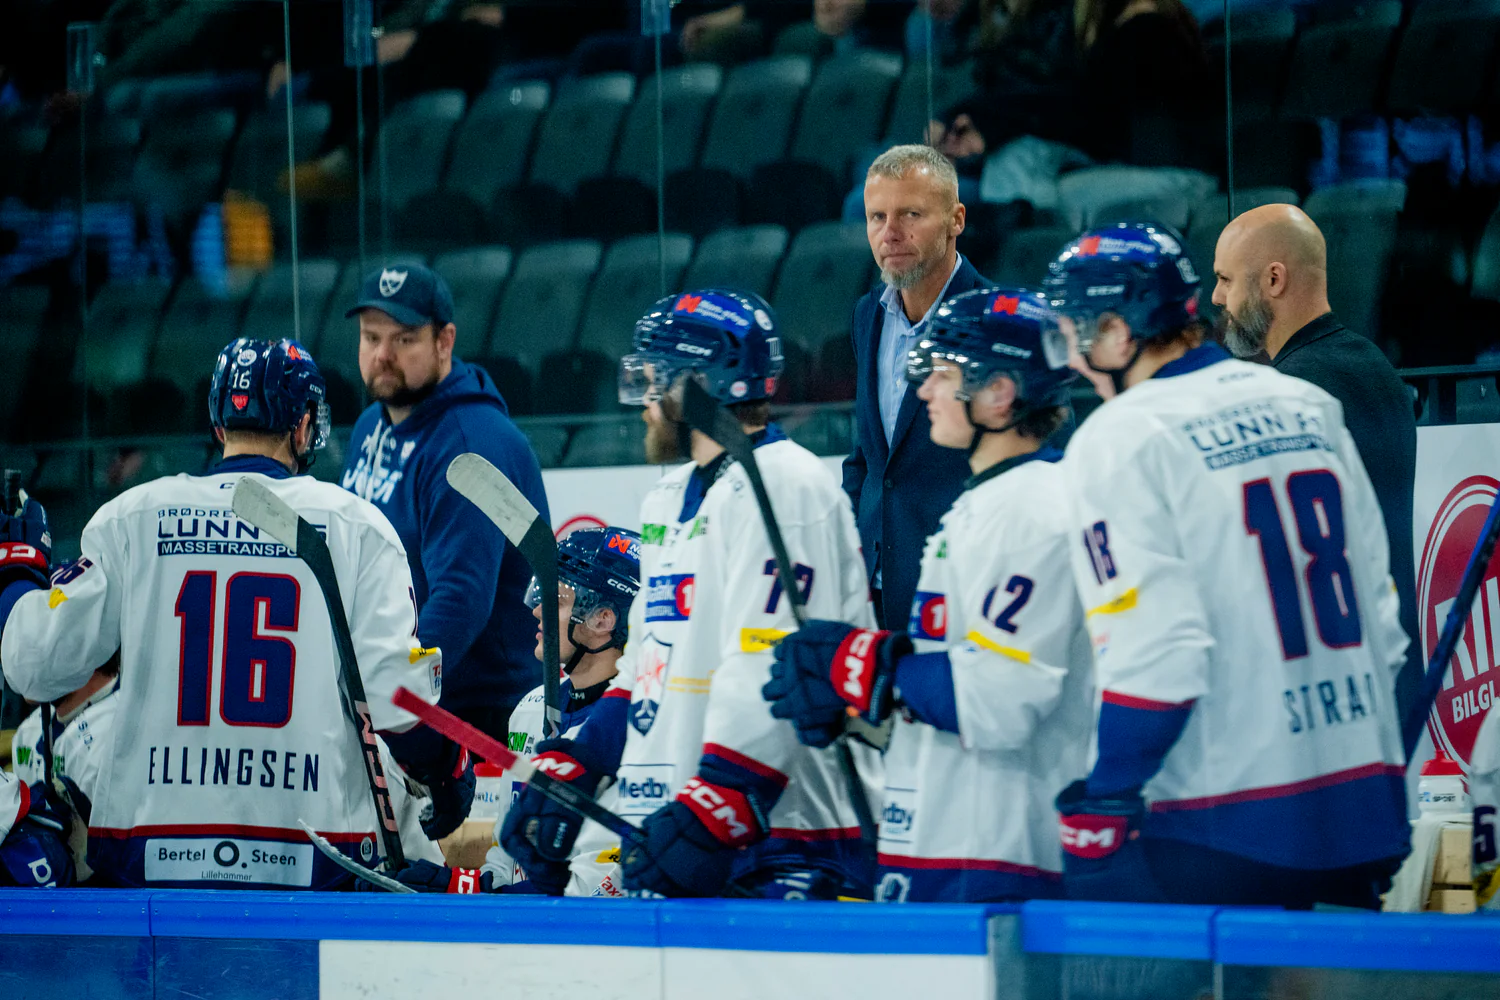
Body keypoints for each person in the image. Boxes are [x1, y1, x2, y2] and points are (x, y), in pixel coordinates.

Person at [0, 337, 472, 889]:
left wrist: (16, 570)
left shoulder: (132, 516)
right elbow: (398, 707)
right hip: (314, 856)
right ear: (302, 426)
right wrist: (446, 768)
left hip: (153, 856)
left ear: (220, 427)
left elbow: (31, 665)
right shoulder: (357, 527)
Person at [1044, 221, 1411, 908]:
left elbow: (1158, 656)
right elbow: (1384, 622)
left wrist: (1108, 794)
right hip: (1362, 804)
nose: (1074, 362)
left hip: (1224, 824)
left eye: (1076, 336)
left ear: (1120, 334)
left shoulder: (1119, 437)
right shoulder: (1309, 404)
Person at [503, 289, 881, 899]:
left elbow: (776, 668)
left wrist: (719, 802)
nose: (646, 402)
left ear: (702, 385)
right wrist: (584, 757)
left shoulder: (787, 487)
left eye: (655, 381)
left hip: (788, 840)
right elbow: (653, 664)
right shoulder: (667, 498)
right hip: (685, 831)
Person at [765, 287, 1093, 903]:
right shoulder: (986, 501)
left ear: (998, 394)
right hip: (949, 835)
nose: (924, 392)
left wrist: (862, 667)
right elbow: (951, 669)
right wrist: (865, 690)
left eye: (941, 374)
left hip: (1001, 851)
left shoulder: (1030, 508)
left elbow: (1000, 698)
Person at [1211, 203, 1421, 738]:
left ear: (1273, 279)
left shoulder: (1294, 396)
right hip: (1389, 663)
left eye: (1226, 280)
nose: (1217, 298)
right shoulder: (1372, 364)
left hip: (1335, 685)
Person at [341, 264, 548, 742]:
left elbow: (459, 601)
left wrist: (385, 699)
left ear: (444, 341)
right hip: (408, 699)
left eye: (404, 339)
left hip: (476, 716)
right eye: (371, 338)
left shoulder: (470, 445)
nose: (383, 355)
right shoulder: (372, 426)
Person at [379, 526, 641, 896]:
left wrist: (466, 893)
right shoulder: (530, 710)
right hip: (519, 932)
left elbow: (602, 887)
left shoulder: (637, 730)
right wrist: (474, 886)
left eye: (557, 599)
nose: (537, 609)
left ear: (602, 619)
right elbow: (506, 856)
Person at [845, 144, 988, 629]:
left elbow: (1035, 454)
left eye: (911, 214)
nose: (890, 233)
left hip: (966, 586)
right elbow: (868, 455)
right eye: (876, 217)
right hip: (874, 587)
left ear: (956, 219)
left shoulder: (999, 321)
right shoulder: (868, 315)